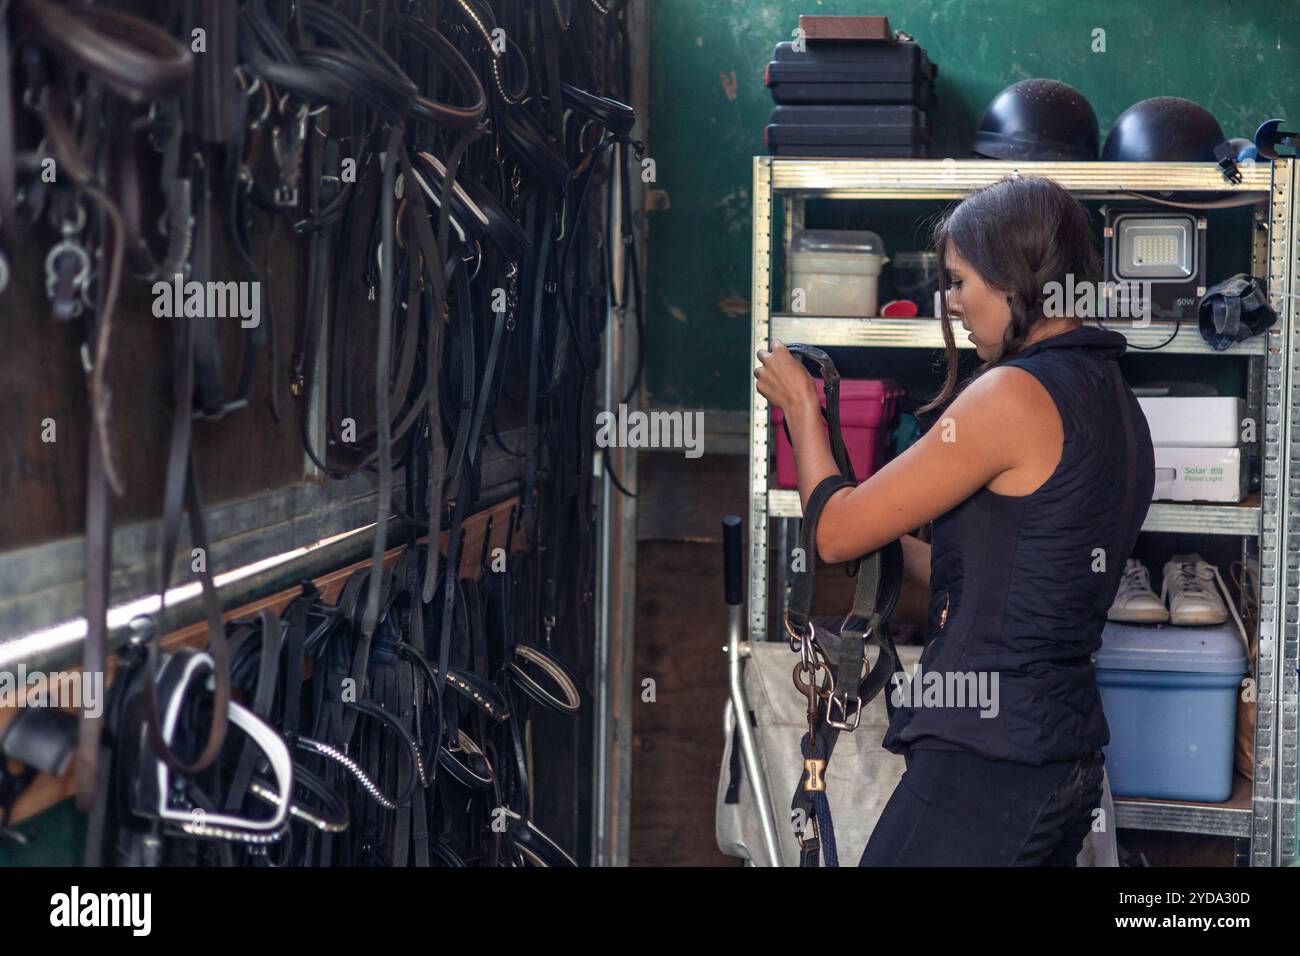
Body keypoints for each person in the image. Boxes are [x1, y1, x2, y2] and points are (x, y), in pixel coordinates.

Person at [754, 176, 1155, 866]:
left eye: (961, 279)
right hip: (1059, 756)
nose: (953, 302)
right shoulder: (1114, 399)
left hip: (986, 759)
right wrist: (884, 542)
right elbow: (999, 572)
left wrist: (802, 412)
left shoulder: (1012, 394)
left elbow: (834, 531)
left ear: (1012, 277)